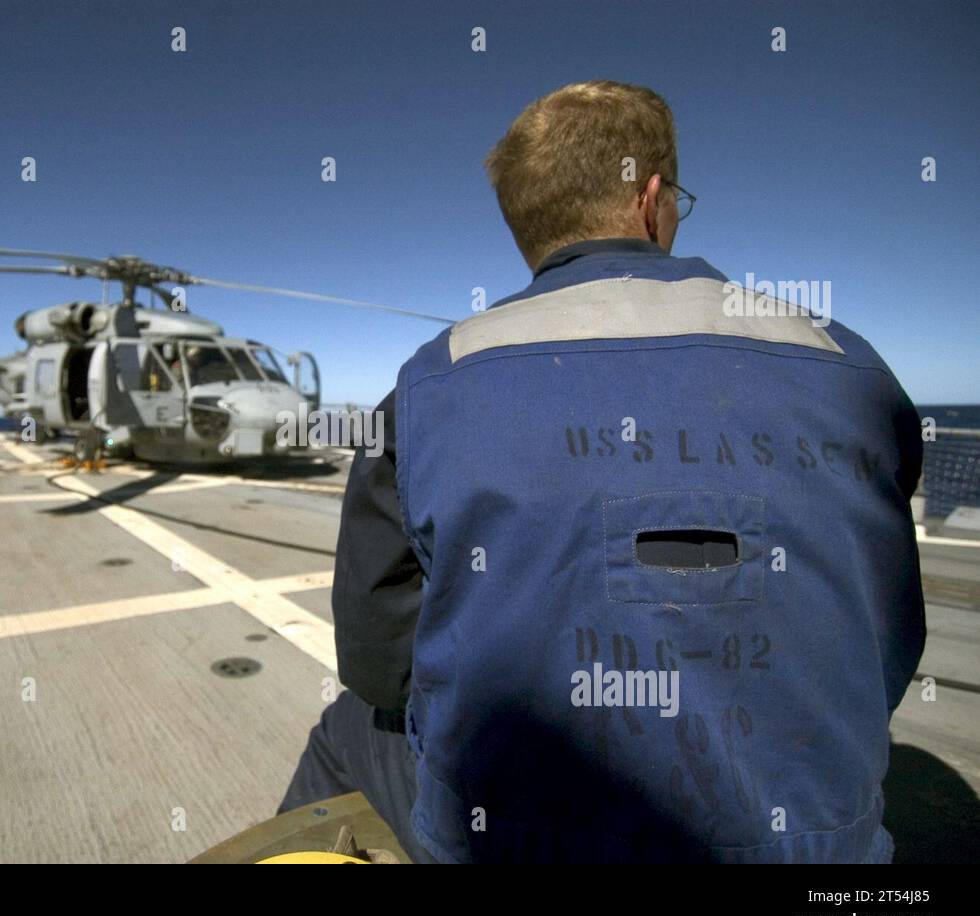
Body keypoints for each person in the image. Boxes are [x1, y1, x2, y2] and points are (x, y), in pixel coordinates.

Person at [278, 80, 926, 864]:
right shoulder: (845, 362)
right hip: (824, 855)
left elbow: (380, 664)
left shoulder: (426, 385)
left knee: (345, 727)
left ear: (527, 230)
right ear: (653, 199)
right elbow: (888, 638)